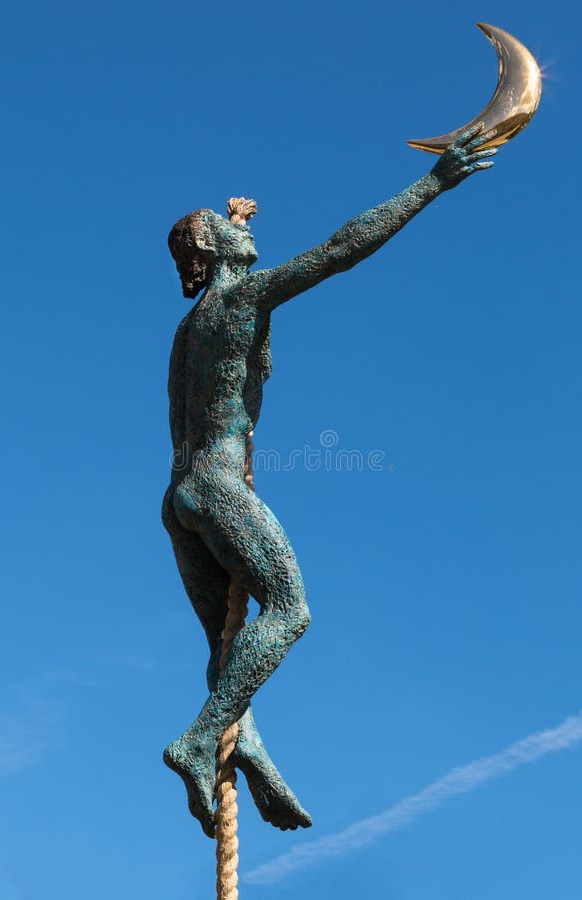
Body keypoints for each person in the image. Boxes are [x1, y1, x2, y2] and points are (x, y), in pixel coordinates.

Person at [161, 125, 497, 837]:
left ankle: (238, 738)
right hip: (220, 487)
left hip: (180, 499)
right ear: (217, 249)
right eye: (230, 228)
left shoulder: (188, 330)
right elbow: (341, 250)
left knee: (229, 650)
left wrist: (240, 230)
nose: (243, 232)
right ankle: (201, 738)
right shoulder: (243, 300)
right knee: (289, 609)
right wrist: (432, 186)